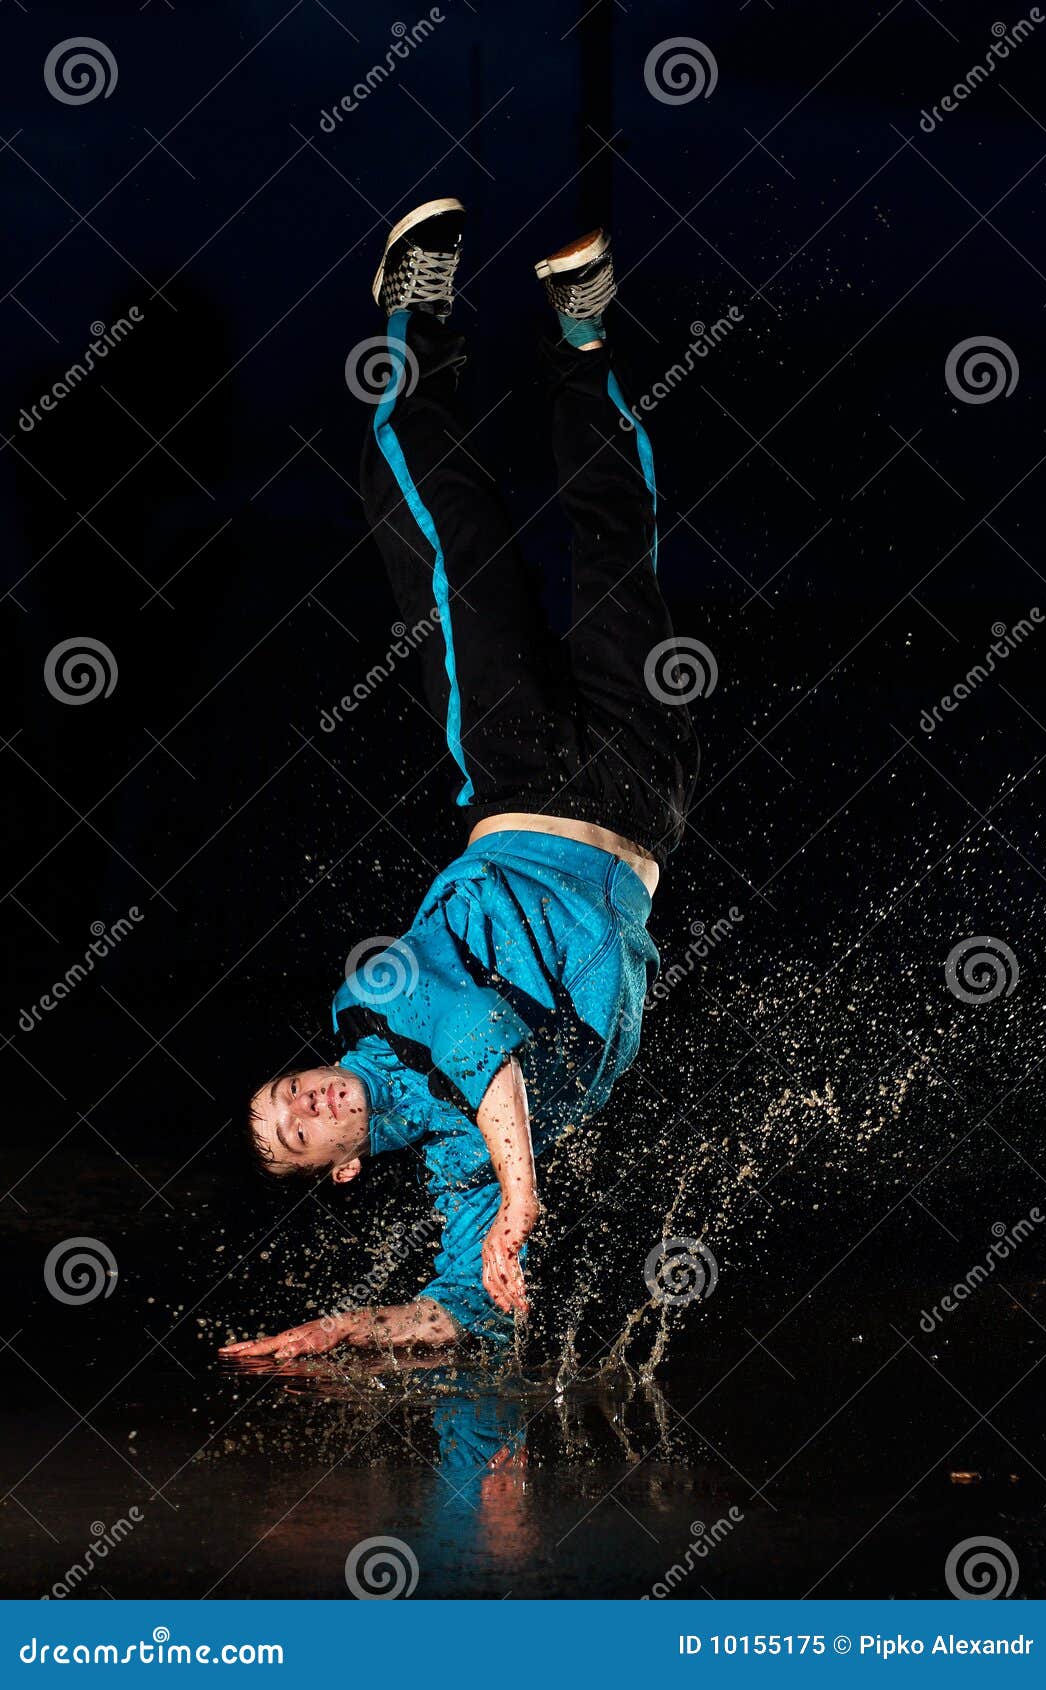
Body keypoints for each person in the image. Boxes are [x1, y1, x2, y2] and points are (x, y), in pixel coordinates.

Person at [220, 197, 699, 1366]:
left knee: (449, 537)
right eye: (295, 1134)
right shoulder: (456, 1165)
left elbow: (481, 1041)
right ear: (338, 1167)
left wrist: (524, 1196)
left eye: (290, 1089)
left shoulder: (379, 999)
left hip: (514, 776)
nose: (305, 1104)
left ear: (318, 1060)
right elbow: (462, 1311)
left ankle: (415, 321)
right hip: (641, 804)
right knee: (618, 548)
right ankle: (584, 340)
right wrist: (346, 1328)